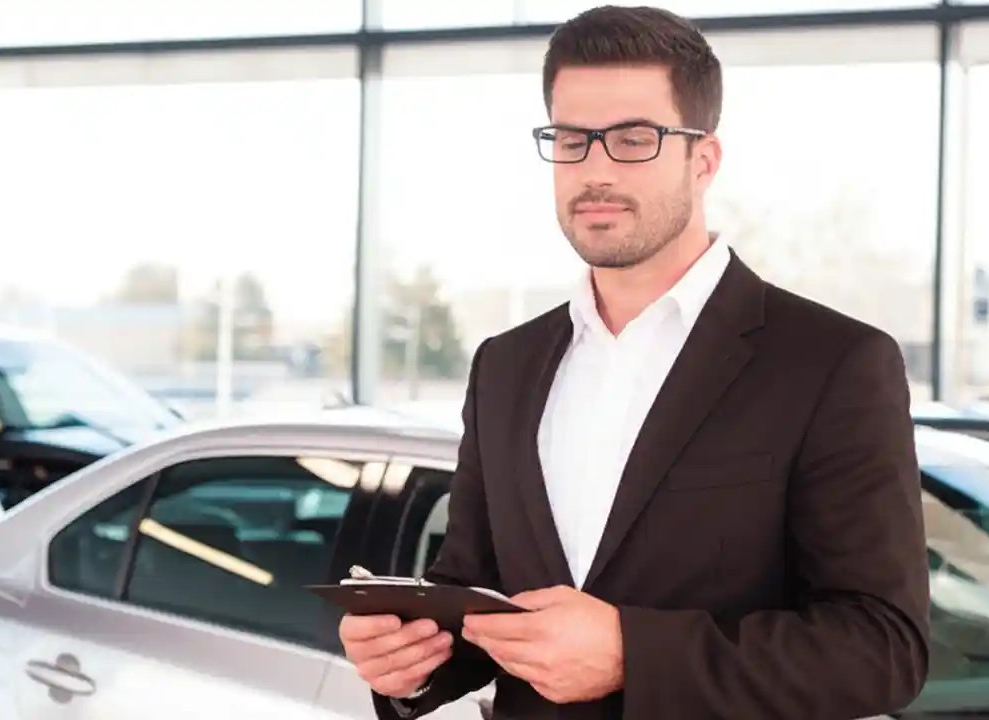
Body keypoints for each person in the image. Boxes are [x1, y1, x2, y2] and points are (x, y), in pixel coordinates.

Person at [340, 6, 930, 718]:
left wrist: (632, 653)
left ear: (703, 159)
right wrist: (410, 665)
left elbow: (882, 648)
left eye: (633, 140)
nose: (595, 170)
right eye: (570, 140)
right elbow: (478, 595)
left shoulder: (833, 363)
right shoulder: (506, 365)